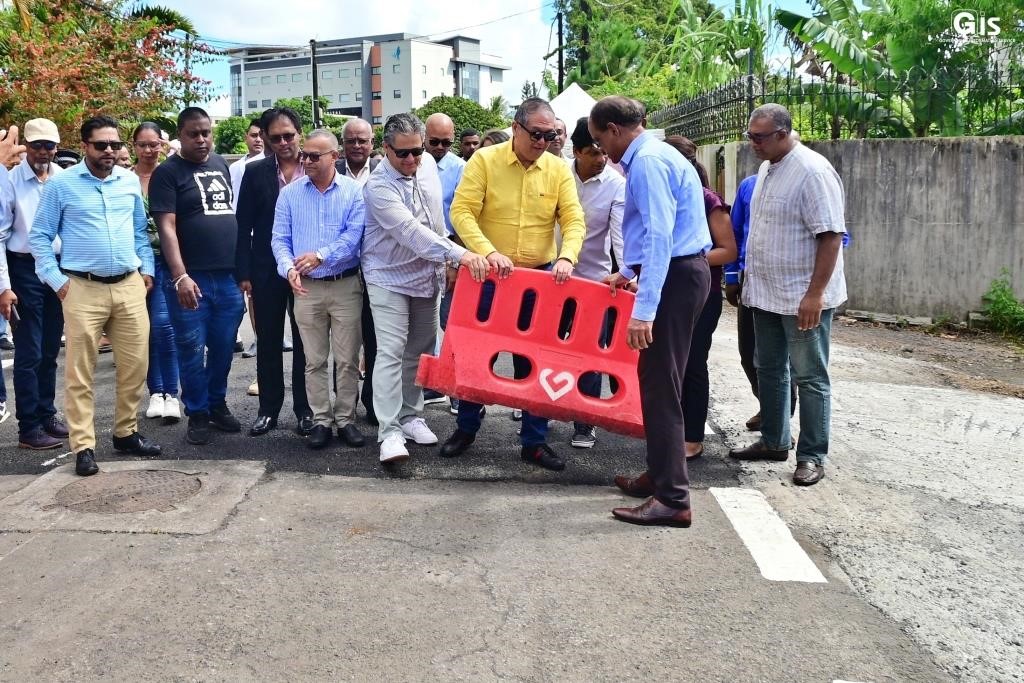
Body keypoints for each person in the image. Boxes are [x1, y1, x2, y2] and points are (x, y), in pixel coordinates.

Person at [444, 97, 587, 471]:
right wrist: (488, 252)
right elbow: (461, 211)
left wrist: (567, 256)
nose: (543, 142)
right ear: (516, 128)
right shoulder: (484, 161)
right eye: (537, 134)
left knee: (534, 361)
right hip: (488, 277)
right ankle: (466, 428)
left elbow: (573, 219)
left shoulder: (557, 169)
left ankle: (535, 441)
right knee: (478, 354)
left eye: (551, 134)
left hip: (539, 279)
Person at [588, 96, 712, 528]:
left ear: (614, 129)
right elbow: (653, 233)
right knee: (657, 382)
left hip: (676, 277)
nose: (604, 150)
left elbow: (661, 237)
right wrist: (626, 271)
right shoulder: (656, 155)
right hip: (679, 273)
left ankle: (673, 499)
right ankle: (660, 474)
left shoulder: (647, 163)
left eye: (601, 140)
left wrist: (644, 310)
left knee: (662, 388)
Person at [30, 114, 160, 477]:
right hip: (81, 287)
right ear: (85, 145)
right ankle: (84, 446)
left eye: (115, 145)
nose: (109, 151)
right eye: (101, 145)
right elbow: (39, 237)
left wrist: (146, 268)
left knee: (136, 366)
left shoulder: (129, 181)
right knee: (80, 372)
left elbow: (139, 229)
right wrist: (57, 281)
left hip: (129, 285)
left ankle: (126, 433)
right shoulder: (61, 185)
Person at [727, 104, 847, 487]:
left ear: (783, 133)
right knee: (769, 368)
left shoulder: (812, 171)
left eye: (759, 137)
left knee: (810, 376)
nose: (752, 143)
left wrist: (815, 295)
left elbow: (830, 237)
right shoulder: (765, 169)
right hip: (764, 293)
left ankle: (811, 455)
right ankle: (775, 440)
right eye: (750, 135)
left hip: (801, 297)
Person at [362, 113, 490, 463]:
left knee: (419, 350)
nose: (411, 160)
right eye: (402, 153)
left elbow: (437, 219)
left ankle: (411, 416)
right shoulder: (378, 186)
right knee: (390, 350)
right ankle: (388, 432)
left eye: (417, 151)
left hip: (427, 274)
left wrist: (448, 262)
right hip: (387, 276)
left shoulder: (429, 165)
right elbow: (412, 234)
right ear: (385, 149)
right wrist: (462, 255)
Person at [150, 107, 245, 446]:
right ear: (181, 134)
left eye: (206, 132)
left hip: (227, 278)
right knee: (191, 350)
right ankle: (198, 412)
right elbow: (167, 228)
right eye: (194, 133)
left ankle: (217, 404)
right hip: (191, 280)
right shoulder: (168, 173)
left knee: (222, 349)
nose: (202, 139)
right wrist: (179, 277)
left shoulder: (220, 164)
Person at [271, 129, 366, 450]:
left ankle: (346, 419)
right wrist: (288, 269)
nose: (306, 161)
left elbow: (354, 238)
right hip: (305, 289)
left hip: (345, 285)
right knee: (313, 360)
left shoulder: (354, 192)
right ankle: (321, 420)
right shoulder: (290, 194)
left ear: (334, 157)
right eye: (304, 155)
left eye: (314, 156)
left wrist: (321, 256)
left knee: (348, 359)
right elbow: (279, 239)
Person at [235, 107, 314, 437]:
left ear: (299, 134)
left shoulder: (316, 167)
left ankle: (305, 410)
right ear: (265, 138)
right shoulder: (255, 174)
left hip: (308, 269)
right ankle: (268, 409)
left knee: (306, 341)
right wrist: (244, 272)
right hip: (266, 267)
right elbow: (243, 226)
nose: (283, 142)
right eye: (276, 137)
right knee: (267, 338)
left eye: (289, 135)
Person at [664, 135, 738, 461]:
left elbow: (728, 250)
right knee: (671, 363)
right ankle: (674, 429)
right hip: (672, 292)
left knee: (693, 361)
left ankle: (693, 436)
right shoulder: (670, 196)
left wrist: (686, 259)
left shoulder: (709, 201)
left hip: (702, 295)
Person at [2, 118, 69, 449]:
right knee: (29, 350)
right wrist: (4, 286)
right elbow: (0, 236)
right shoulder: (10, 181)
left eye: (49, 145)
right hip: (24, 270)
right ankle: (28, 427)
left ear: (57, 147)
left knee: (50, 348)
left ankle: (46, 414)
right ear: (26, 146)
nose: (43, 151)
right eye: (37, 145)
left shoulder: (62, 178)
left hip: (57, 268)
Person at [563, 117, 625, 449]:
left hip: (593, 282)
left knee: (590, 353)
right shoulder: (557, 173)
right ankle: (538, 412)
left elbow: (620, 240)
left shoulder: (616, 185)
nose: (601, 158)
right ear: (576, 152)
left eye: (603, 151)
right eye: (593, 152)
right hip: (552, 279)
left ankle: (584, 422)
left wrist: (628, 274)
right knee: (550, 350)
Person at [726, 173, 797, 431]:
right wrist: (732, 276)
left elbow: (837, 237)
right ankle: (769, 407)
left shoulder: (807, 182)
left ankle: (777, 419)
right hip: (752, 277)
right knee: (749, 353)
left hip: (790, 281)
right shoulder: (749, 186)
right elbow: (734, 232)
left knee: (783, 358)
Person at [133, 122, 181, 427]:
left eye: (155, 144)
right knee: (145, 328)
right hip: (136, 263)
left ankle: (171, 393)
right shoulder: (123, 179)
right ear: (134, 146)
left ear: (163, 145)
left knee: (164, 325)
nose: (150, 150)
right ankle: (155, 392)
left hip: (168, 260)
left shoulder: (170, 174)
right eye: (143, 145)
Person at [422, 113, 467, 407]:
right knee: (424, 323)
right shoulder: (415, 163)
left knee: (451, 324)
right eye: (434, 142)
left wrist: (454, 264)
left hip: (450, 251)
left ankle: (457, 389)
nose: (440, 147)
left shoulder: (462, 168)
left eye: (446, 143)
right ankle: (433, 383)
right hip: (418, 251)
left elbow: (465, 218)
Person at [339, 118, 381, 425]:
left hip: (379, 269)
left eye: (362, 141)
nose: (356, 146)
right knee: (346, 347)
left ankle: (374, 402)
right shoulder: (329, 170)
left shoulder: (385, 169)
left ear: (372, 142)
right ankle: (345, 406)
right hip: (344, 270)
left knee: (377, 342)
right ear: (342, 144)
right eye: (351, 140)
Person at [228, 119, 264, 210]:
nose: (258, 140)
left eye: (261, 136)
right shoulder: (234, 167)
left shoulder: (272, 166)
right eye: (254, 135)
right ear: (245, 137)